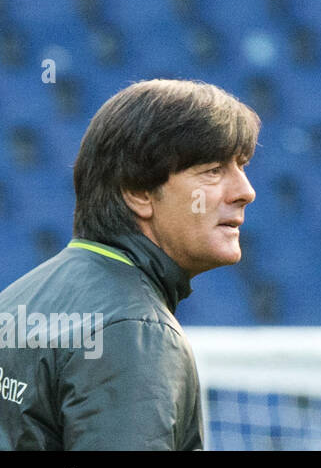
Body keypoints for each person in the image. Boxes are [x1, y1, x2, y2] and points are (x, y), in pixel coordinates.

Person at [0, 79, 258, 449]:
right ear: (139, 192)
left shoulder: (19, 299)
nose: (245, 191)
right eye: (213, 170)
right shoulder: (133, 330)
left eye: (242, 165)